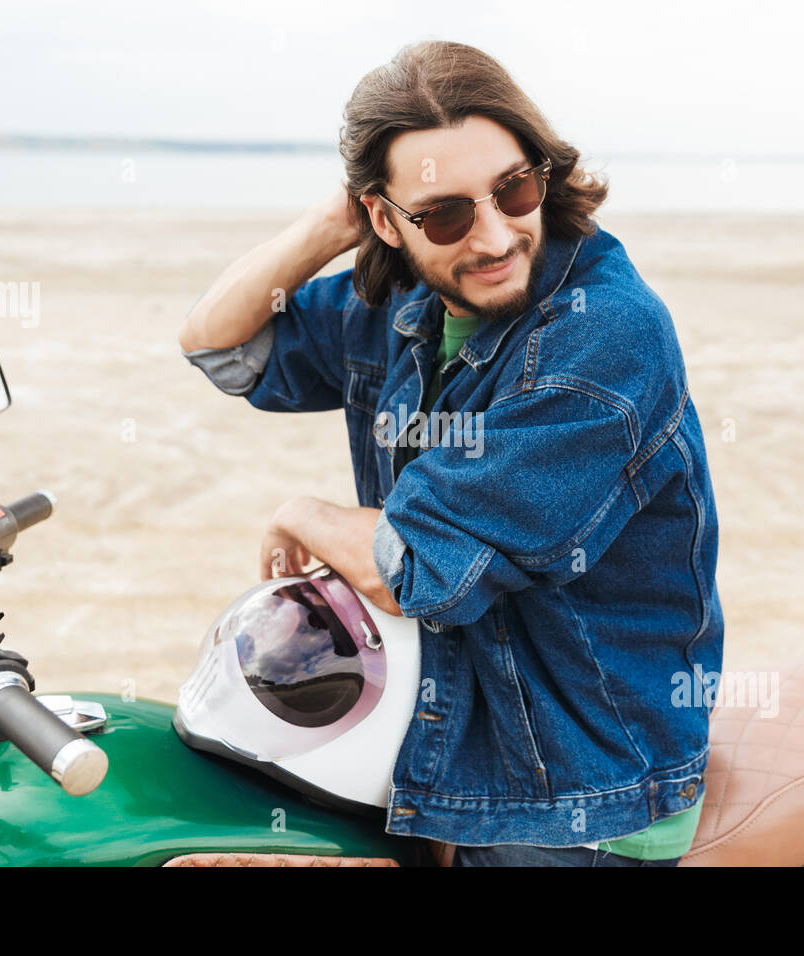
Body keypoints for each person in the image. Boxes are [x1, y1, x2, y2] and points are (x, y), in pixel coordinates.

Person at [177, 40, 723, 867]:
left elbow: (418, 565)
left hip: (576, 789)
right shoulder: (406, 301)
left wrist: (303, 514)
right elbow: (220, 348)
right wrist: (336, 222)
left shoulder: (602, 337)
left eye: (515, 188)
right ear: (385, 219)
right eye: (447, 213)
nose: (497, 236)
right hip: (445, 727)